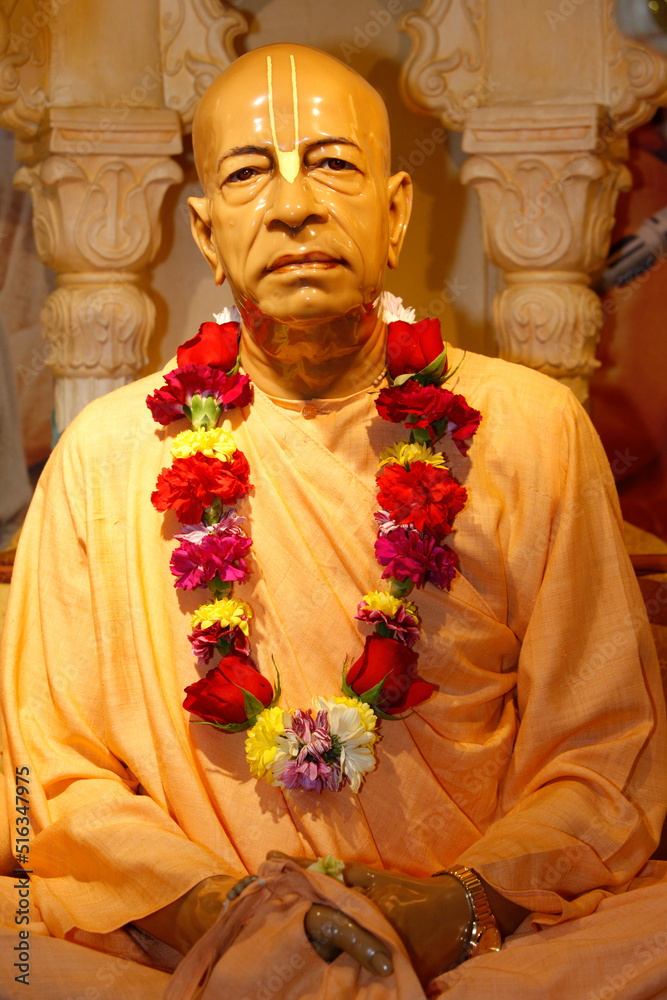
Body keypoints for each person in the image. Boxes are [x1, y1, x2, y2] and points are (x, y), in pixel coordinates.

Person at [0, 43, 665, 999]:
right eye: (245, 173)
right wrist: (215, 914)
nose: (294, 203)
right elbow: (46, 777)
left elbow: (603, 750)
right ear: (204, 232)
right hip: (180, 940)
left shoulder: (530, 431)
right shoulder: (105, 459)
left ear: (394, 212)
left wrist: (464, 907)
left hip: (480, 947)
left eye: (332, 163)